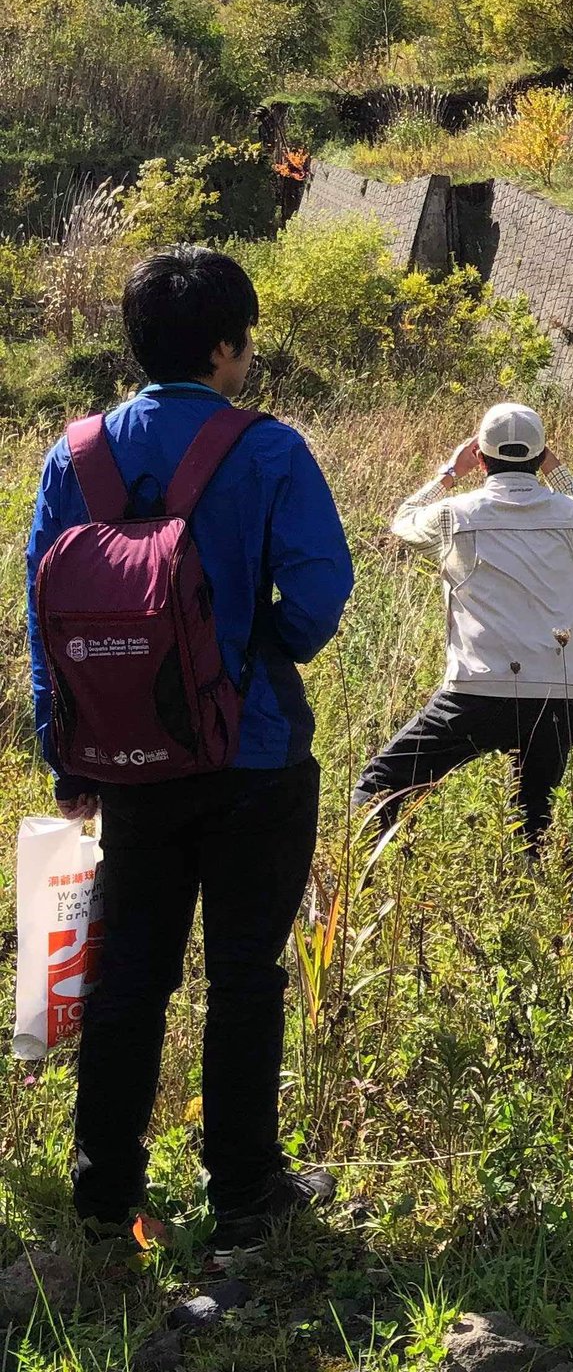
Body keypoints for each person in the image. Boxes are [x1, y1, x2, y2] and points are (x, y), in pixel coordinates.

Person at [26, 247, 354, 1251]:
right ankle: (246, 1189)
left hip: (127, 760)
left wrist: (71, 755)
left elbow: (45, 620)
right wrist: (258, 649)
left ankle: (104, 1189)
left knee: (131, 971)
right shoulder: (267, 448)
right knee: (246, 970)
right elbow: (321, 590)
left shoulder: (75, 455)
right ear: (223, 345)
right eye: (243, 337)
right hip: (252, 755)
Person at [352, 402, 573, 851]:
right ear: (541, 457)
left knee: (381, 782)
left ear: (480, 459)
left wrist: (450, 472)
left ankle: (357, 883)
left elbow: (402, 522)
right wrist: (553, 465)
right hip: (561, 694)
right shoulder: (572, 517)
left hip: (476, 694)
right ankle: (541, 906)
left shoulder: (454, 515)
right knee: (534, 826)